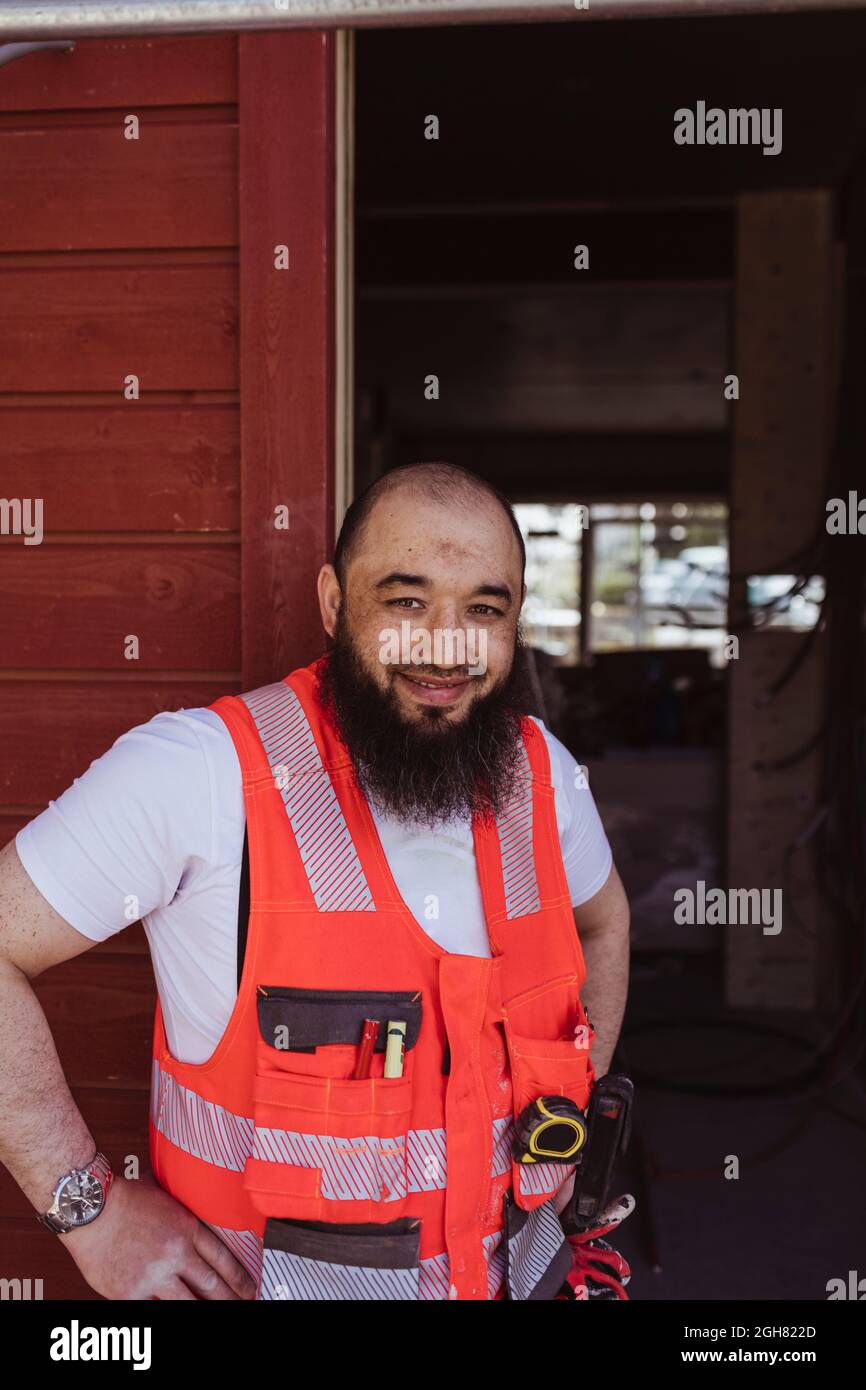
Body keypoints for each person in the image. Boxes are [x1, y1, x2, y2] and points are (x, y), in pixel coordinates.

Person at [0, 461, 632, 1300]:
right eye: (405, 600)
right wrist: (89, 1211)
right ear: (334, 605)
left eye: (484, 608)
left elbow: (604, 924)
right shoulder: (201, 774)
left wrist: (568, 1122)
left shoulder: (544, 777)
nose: (445, 644)